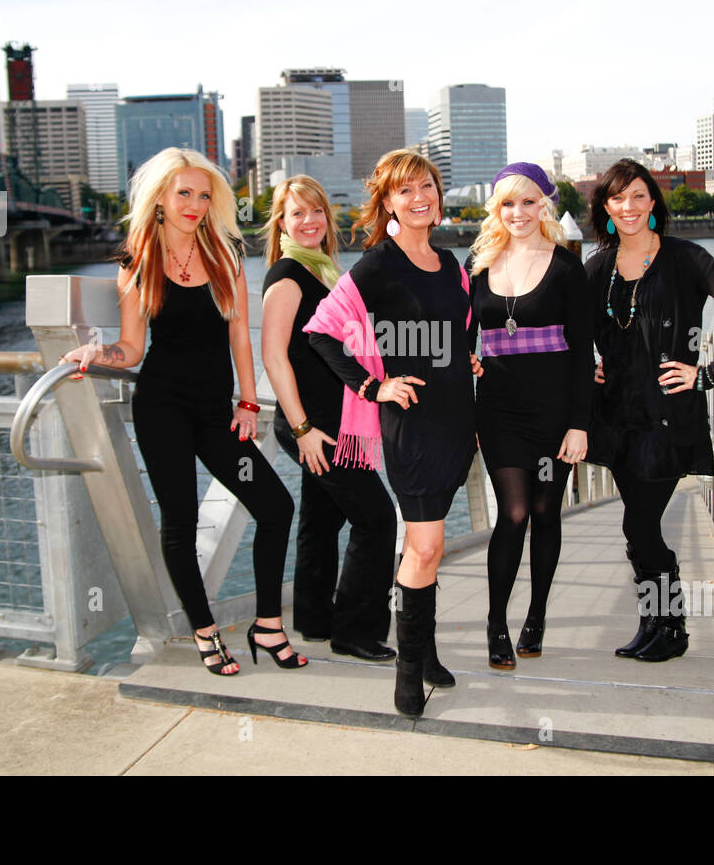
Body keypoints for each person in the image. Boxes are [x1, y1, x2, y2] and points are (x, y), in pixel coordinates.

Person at [60, 147, 301, 676]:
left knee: (276, 506)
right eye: (184, 193)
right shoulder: (138, 259)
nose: (195, 203)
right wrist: (98, 353)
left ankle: (266, 623)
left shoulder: (224, 255)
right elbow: (132, 347)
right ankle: (205, 631)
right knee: (181, 521)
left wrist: (246, 398)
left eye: (204, 194)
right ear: (161, 200)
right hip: (162, 409)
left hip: (218, 413)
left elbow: (240, 330)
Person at [304, 149, 476, 717]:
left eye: (426, 185)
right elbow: (322, 332)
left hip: (457, 420)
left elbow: (460, 332)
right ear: (386, 202)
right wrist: (372, 386)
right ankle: (408, 673)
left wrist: (467, 359)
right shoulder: (376, 264)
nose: (419, 196)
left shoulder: (453, 265)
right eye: (405, 190)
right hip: (412, 424)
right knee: (424, 545)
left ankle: (423, 652)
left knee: (430, 545)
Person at [585, 159, 714, 662]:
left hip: (667, 419)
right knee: (638, 528)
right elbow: (566, 330)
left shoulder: (686, 258)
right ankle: (654, 624)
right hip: (618, 419)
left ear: (653, 203)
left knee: (639, 527)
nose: (629, 206)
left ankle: (672, 625)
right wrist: (586, 370)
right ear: (605, 207)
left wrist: (706, 374)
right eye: (618, 198)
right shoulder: (597, 268)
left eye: (639, 195)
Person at [260, 175, 398, 661]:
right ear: (281, 221)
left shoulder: (323, 272)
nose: (309, 221)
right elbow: (274, 357)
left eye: (316, 211)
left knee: (321, 518)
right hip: (311, 424)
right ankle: (355, 631)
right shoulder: (287, 277)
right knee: (376, 517)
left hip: (330, 418)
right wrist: (302, 430)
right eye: (297, 213)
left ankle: (315, 619)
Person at [466, 163, 592, 670]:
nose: (518, 213)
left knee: (545, 512)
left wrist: (580, 423)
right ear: (497, 210)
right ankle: (495, 622)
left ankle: (536, 615)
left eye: (528, 202)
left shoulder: (566, 267)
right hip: (498, 410)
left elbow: (583, 351)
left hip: (555, 412)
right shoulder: (477, 266)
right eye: (507, 204)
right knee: (513, 514)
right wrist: (465, 362)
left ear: (545, 204)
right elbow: (458, 336)